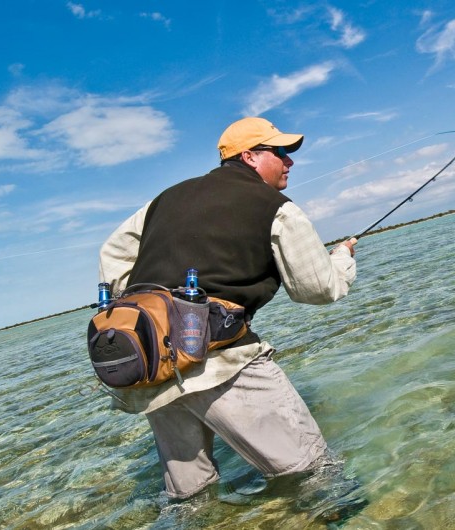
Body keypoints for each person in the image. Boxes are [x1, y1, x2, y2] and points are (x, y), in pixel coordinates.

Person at [97, 117, 359, 503]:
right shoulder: (278, 208)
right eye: (280, 151)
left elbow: (112, 252)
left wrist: (154, 314)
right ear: (249, 156)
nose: (289, 161)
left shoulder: (164, 200)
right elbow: (317, 289)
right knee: (317, 474)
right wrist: (341, 258)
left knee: (190, 499)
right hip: (221, 363)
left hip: (155, 368)